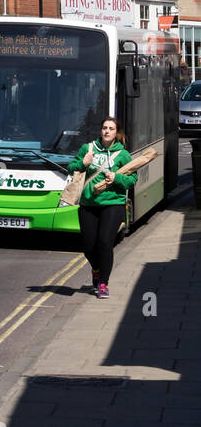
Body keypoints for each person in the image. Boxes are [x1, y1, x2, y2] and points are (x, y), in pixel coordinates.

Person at [68, 116, 136, 299]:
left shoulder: (122, 155)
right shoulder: (88, 149)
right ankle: (96, 269)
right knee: (89, 246)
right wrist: (83, 164)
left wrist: (117, 178)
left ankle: (103, 284)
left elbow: (132, 179)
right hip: (88, 204)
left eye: (111, 128)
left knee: (105, 243)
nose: (107, 131)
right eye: (104, 128)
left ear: (117, 133)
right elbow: (70, 167)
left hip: (113, 204)